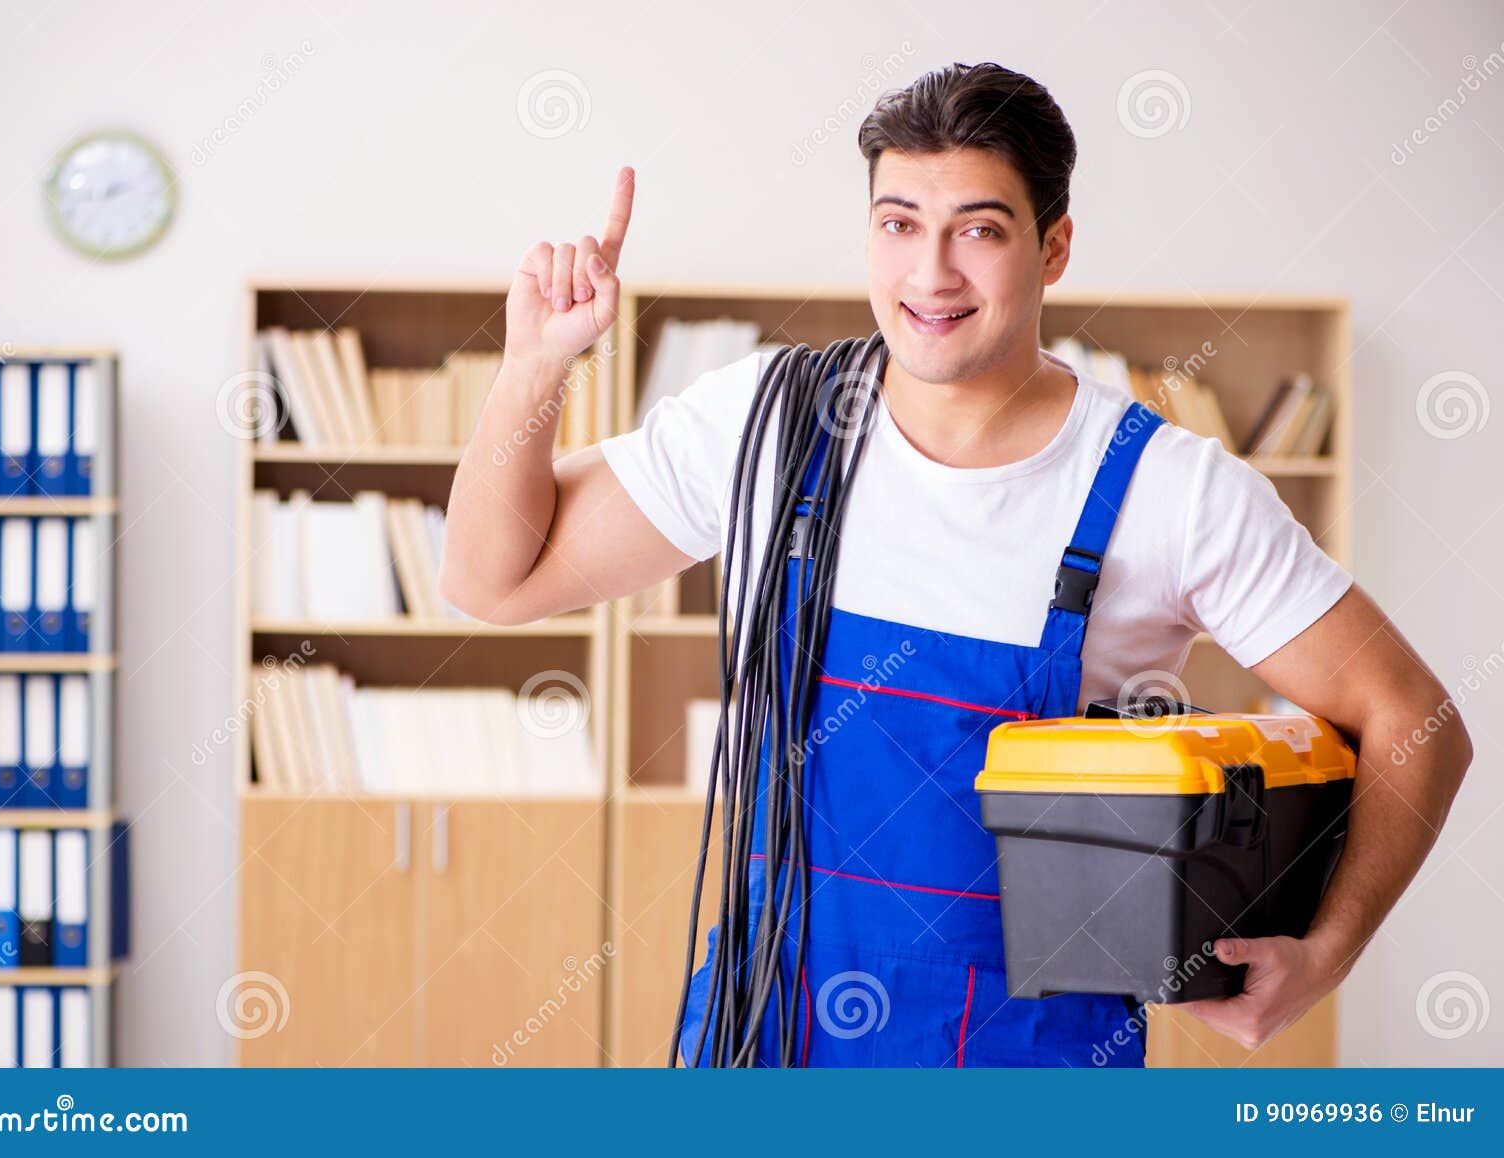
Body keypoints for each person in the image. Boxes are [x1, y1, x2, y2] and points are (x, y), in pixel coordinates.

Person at [441, 62, 1471, 1066]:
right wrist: (536, 364)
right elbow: (492, 581)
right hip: (764, 1037)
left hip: (1026, 1064)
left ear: (1053, 246)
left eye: (978, 229)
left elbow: (1413, 721)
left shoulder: (1173, 492)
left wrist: (1328, 952)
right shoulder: (767, 423)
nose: (931, 274)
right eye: (898, 225)